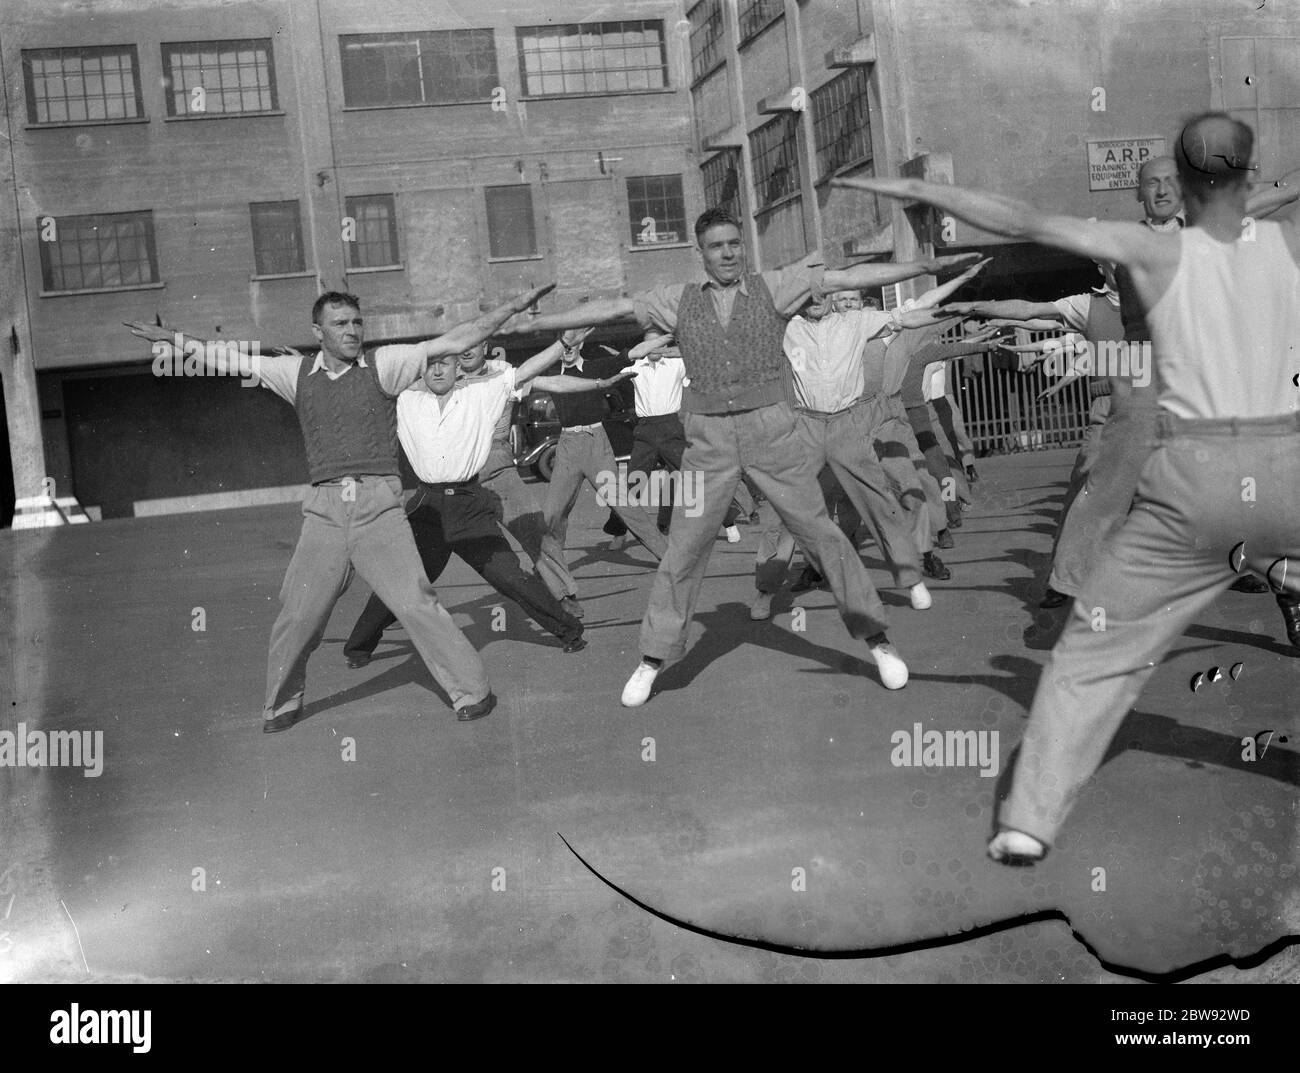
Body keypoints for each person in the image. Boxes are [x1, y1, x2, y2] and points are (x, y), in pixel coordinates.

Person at [838, 113, 1300, 861]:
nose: (1157, 195)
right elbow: (1026, 228)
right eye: (1146, 187)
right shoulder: (1123, 258)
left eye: (1166, 185)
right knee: (1112, 494)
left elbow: (1277, 196)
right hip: (1142, 399)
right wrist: (935, 202)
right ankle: (1076, 604)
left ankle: (1274, 578)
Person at [498, 205, 981, 703]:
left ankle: (878, 641)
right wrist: (531, 321)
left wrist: (924, 267)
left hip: (771, 432)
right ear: (701, 252)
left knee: (820, 533)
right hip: (708, 442)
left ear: (741, 246)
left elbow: (846, 276)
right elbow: (614, 309)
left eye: (734, 243)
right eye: (716, 245)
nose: (727, 252)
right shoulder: (676, 300)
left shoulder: (774, 287)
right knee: (684, 548)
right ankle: (652, 659)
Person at [125, 283, 554, 730]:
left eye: (356, 322)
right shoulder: (294, 372)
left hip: (379, 507)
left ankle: (473, 692)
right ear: (318, 330)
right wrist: (173, 338)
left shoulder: (384, 365)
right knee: (299, 613)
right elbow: (228, 358)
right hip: (325, 510)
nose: (352, 331)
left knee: (414, 603)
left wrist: (513, 308)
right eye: (340, 324)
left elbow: (453, 340)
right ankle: (282, 704)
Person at [342, 346, 638, 665]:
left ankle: (569, 632)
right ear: (421, 371)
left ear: (458, 369)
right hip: (428, 510)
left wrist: (590, 379)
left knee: (511, 577)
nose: (438, 371)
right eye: (431, 366)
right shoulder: (405, 399)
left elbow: (539, 377)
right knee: (403, 581)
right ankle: (358, 647)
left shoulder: (481, 393)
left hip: (471, 508)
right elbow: (357, 381)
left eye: (445, 364)